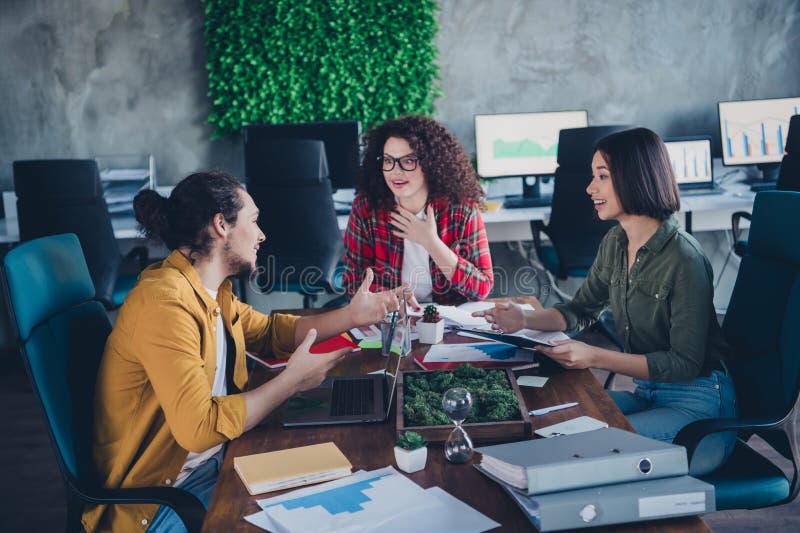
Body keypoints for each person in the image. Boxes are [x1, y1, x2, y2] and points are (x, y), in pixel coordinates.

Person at [82, 170, 402, 533]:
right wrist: (290, 382)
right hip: (163, 499)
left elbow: (270, 333)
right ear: (222, 225)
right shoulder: (164, 304)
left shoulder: (212, 291)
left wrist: (352, 315)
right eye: (254, 220)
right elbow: (199, 428)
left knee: (344, 486)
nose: (262, 234)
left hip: (215, 462)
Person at [475, 128, 737, 476]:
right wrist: (523, 319)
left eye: (601, 176)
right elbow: (581, 310)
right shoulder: (616, 241)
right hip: (649, 393)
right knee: (550, 419)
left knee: (578, 447)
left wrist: (595, 356)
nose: (589, 188)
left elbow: (685, 364)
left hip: (697, 410)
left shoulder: (684, 258)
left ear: (634, 177)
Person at [343, 115, 494, 307]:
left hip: (449, 322)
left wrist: (431, 243)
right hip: (392, 319)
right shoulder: (367, 209)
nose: (395, 171)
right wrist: (392, 300)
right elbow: (352, 283)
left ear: (430, 164)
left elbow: (481, 288)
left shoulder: (461, 210)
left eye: (408, 161)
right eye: (388, 160)